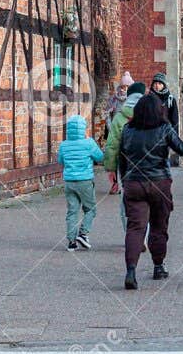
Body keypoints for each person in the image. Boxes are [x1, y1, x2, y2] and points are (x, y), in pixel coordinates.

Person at [117, 93, 183, 289]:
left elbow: (121, 159)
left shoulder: (127, 130)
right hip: (159, 183)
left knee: (135, 227)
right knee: (159, 226)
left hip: (134, 183)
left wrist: (125, 181)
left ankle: (131, 270)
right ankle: (158, 266)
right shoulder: (164, 129)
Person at [59, 114, 102, 250]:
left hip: (69, 182)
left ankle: (71, 242)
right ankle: (83, 233)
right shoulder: (89, 143)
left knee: (72, 211)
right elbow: (100, 157)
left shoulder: (63, 145)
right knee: (90, 209)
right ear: (83, 129)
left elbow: (60, 161)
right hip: (85, 181)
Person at [104, 81, 147, 195]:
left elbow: (112, 146)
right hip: (147, 168)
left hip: (126, 166)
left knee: (129, 199)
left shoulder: (119, 117)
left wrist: (110, 167)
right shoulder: (151, 115)